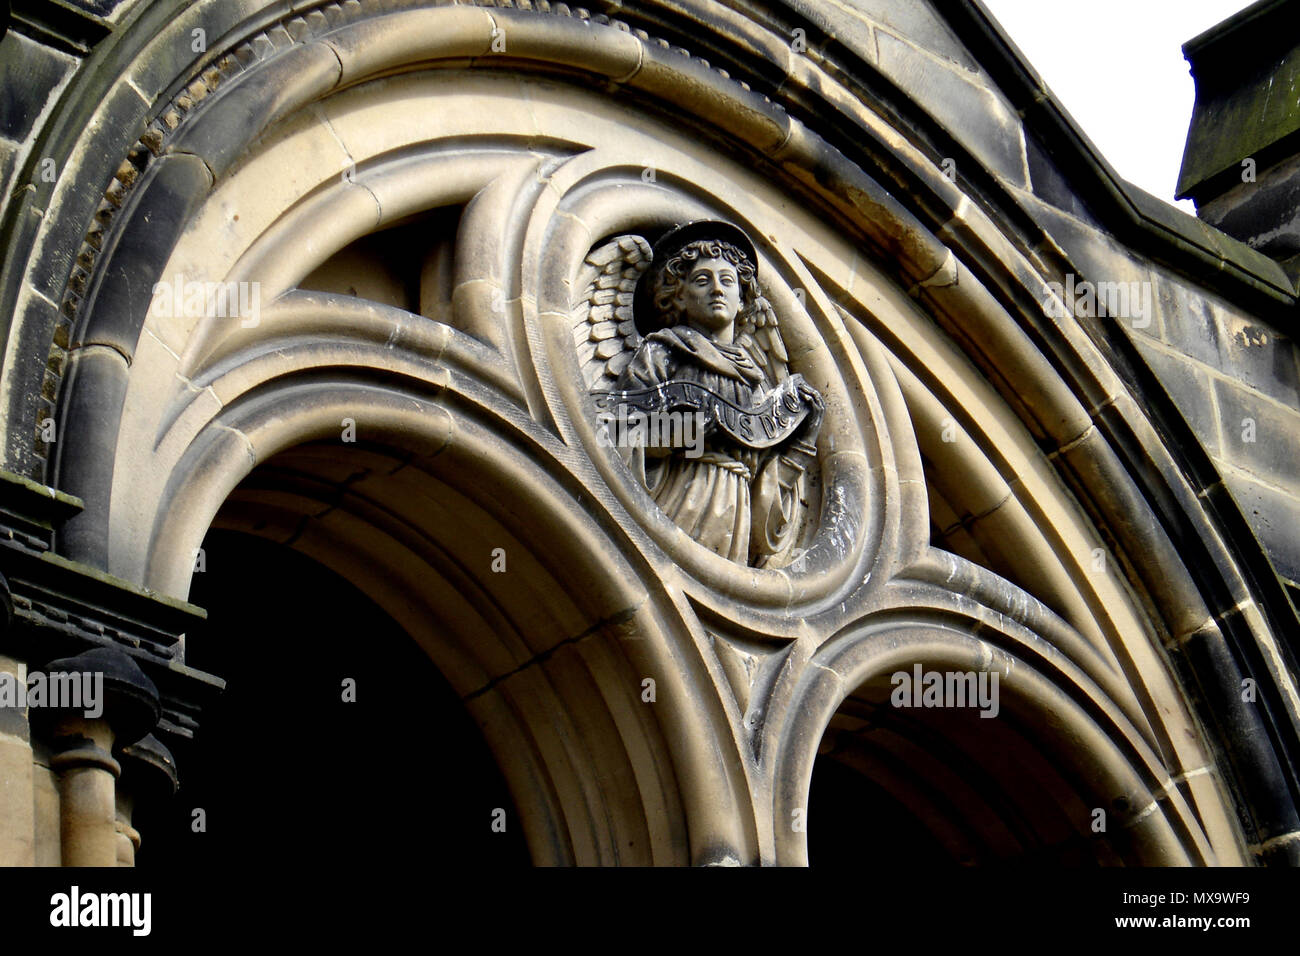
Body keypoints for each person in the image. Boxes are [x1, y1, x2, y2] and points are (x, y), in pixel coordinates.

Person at [605, 221, 823, 567]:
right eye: (702, 280)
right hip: (683, 488)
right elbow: (617, 429)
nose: (717, 290)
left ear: (742, 301)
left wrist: (800, 443)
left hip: (736, 503)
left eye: (727, 281)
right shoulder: (665, 349)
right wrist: (688, 433)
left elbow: (764, 487)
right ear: (678, 294)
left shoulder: (755, 379)